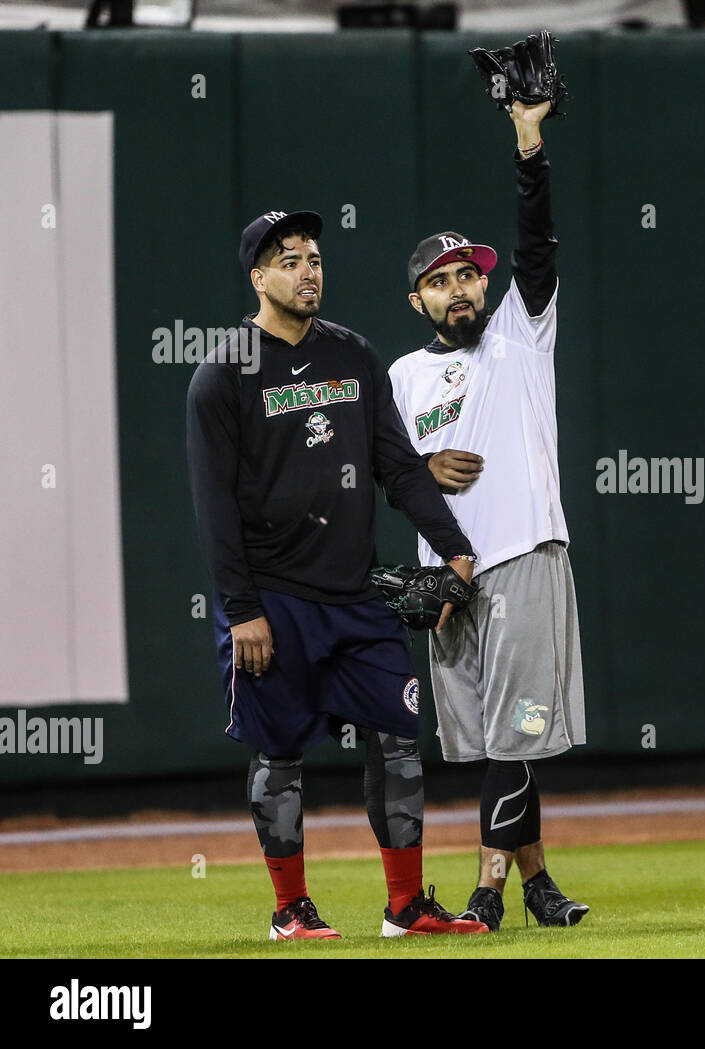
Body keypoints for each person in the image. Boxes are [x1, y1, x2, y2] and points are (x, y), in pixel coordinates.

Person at [186, 209, 489, 939]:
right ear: (258, 277)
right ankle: (290, 909)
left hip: (356, 596)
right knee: (281, 751)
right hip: (275, 600)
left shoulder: (353, 356)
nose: (308, 270)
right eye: (289, 260)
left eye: (314, 257)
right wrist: (241, 607)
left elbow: (398, 468)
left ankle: (406, 906)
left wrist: (454, 547)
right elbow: (213, 506)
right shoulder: (224, 372)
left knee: (398, 737)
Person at [387, 98, 588, 930]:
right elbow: (390, 473)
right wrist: (425, 469)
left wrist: (528, 140)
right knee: (488, 737)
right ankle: (541, 884)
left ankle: (488, 891)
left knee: (512, 734)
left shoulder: (518, 331)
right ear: (418, 301)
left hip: (523, 553)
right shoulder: (400, 374)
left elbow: (536, 244)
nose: (459, 287)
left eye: (468, 272)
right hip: (449, 580)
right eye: (441, 280)